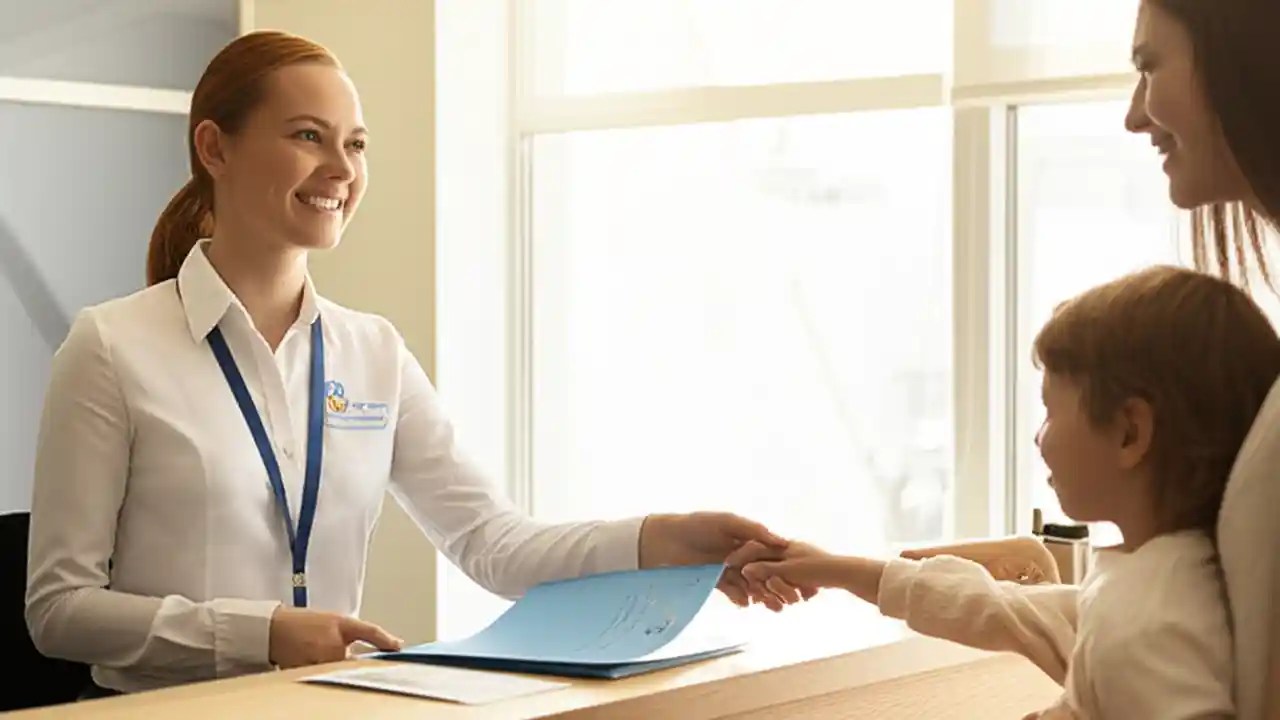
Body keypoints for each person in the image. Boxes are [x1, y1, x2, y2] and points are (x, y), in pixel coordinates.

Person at [23, 30, 785, 697]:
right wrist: (262, 633)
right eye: (307, 136)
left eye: (355, 143)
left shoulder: (371, 351)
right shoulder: (112, 347)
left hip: (328, 704)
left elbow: (495, 544)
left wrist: (662, 542)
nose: (340, 170)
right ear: (215, 148)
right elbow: (59, 611)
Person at [742, 265, 1280, 719]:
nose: (1037, 435)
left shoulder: (1143, 623)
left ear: (1128, 432)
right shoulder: (1174, 576)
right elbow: (1004, 608)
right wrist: (840, 569)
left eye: (1050, 409)